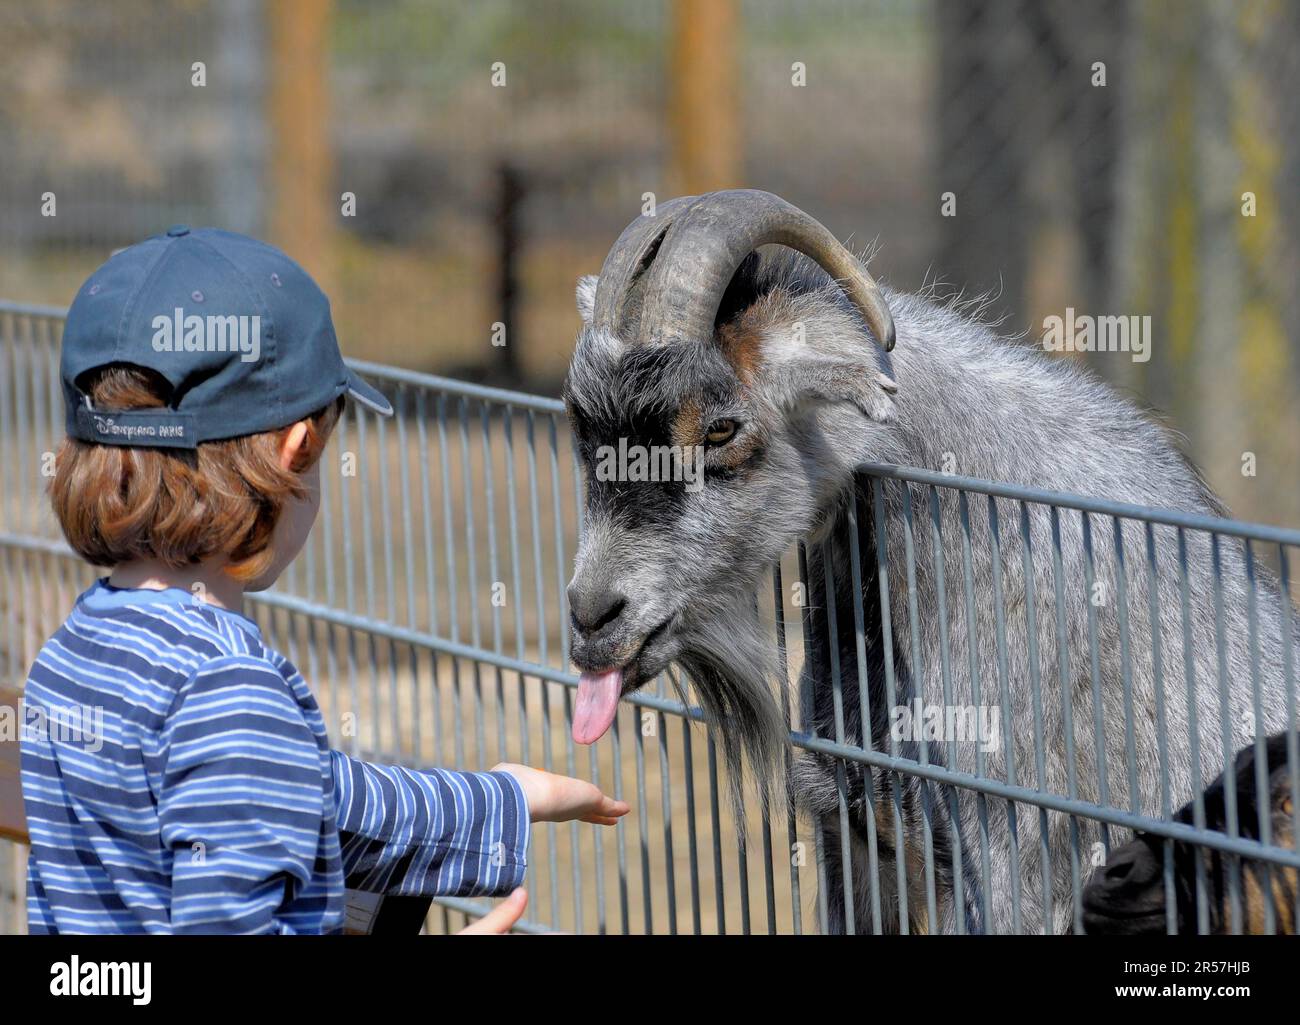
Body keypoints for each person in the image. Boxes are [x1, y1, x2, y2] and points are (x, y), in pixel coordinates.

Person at [20, 225, 627, 934]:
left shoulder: (76, 649)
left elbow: (300, 795)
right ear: (296, 448)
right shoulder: (228, 689)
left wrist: (501, 800)